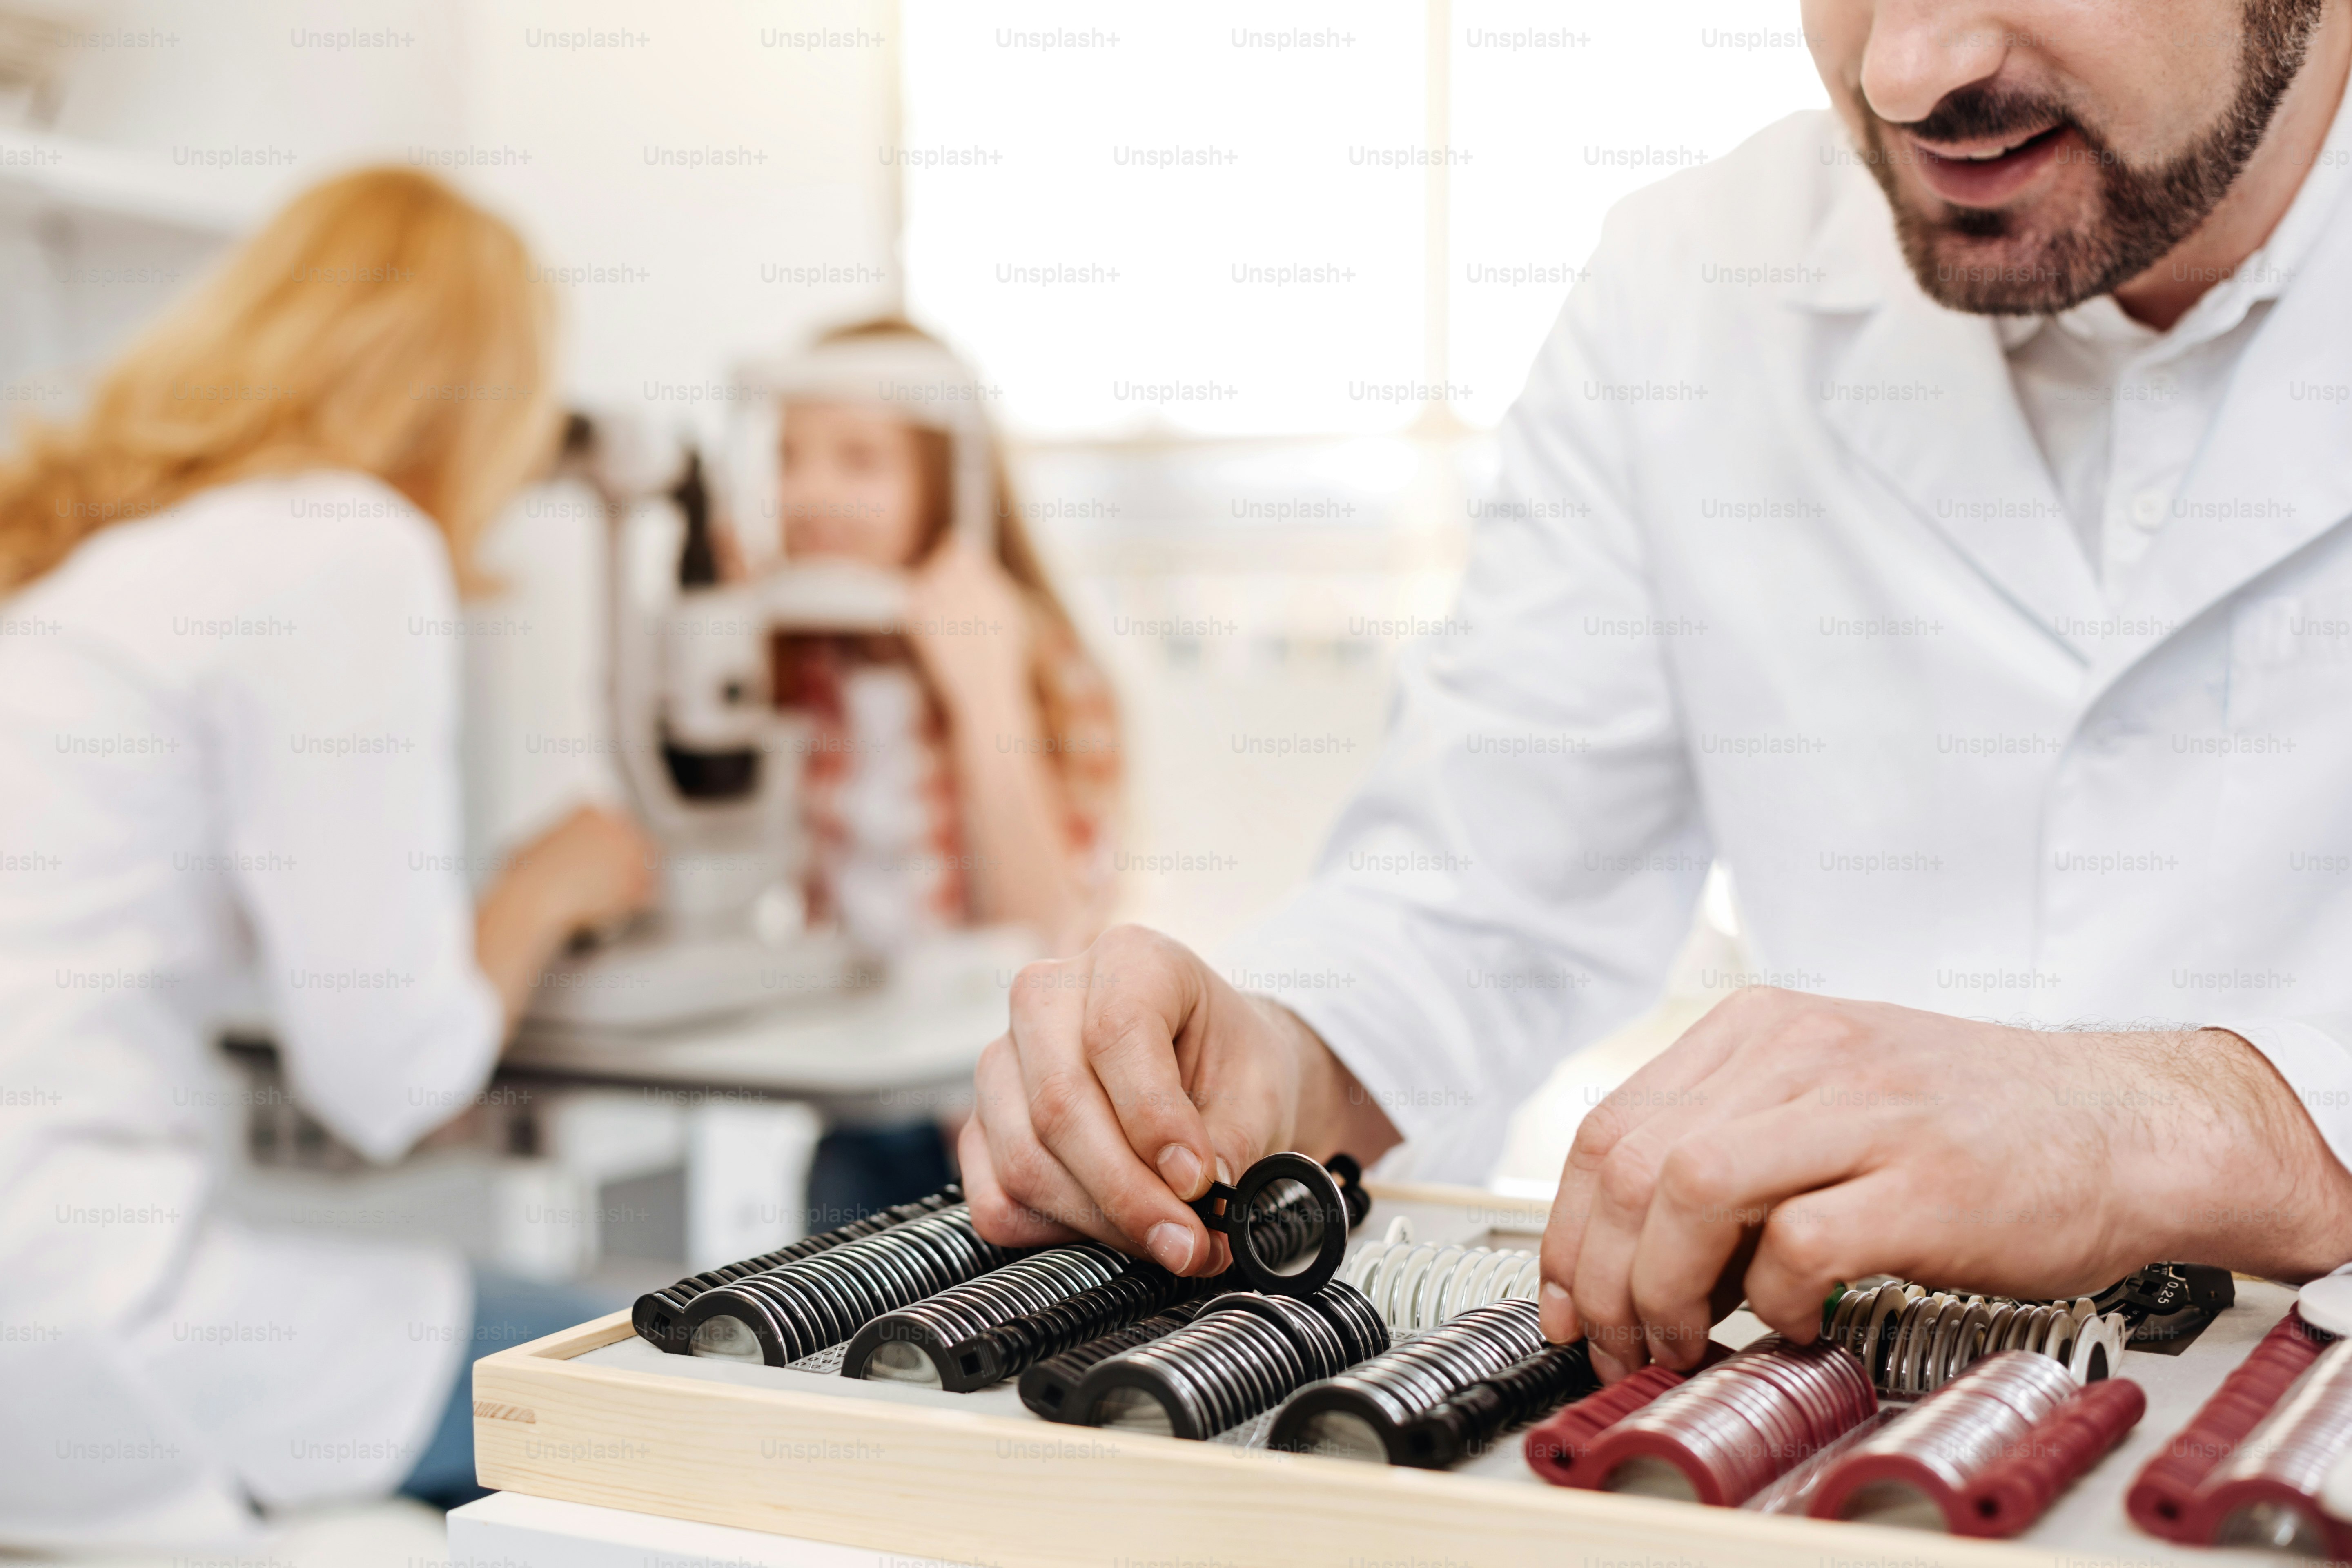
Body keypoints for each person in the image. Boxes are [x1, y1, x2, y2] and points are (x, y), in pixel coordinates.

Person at [959, 0, 2352, 1389]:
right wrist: (1271, 1054)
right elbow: (1479, 897)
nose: (1903, 71)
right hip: (1860, 1457)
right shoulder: (1695, 283)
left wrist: (2207, 1127)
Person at [0, 168, 655, 1546]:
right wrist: (551, 884)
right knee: (695, 1368)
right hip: (87, 1324)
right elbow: (391, 1079)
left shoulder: (95, 570)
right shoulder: (343, 547)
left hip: (51, 1287)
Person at [748, 318, 1122, 1219]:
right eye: (790, 457)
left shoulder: (1041, 661)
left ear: (946, 479)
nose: (809, 492)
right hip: (865, 1108)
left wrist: (982, 694)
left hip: (1013, 1119)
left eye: (858, 460)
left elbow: (1043, 925)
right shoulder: (798, 666)